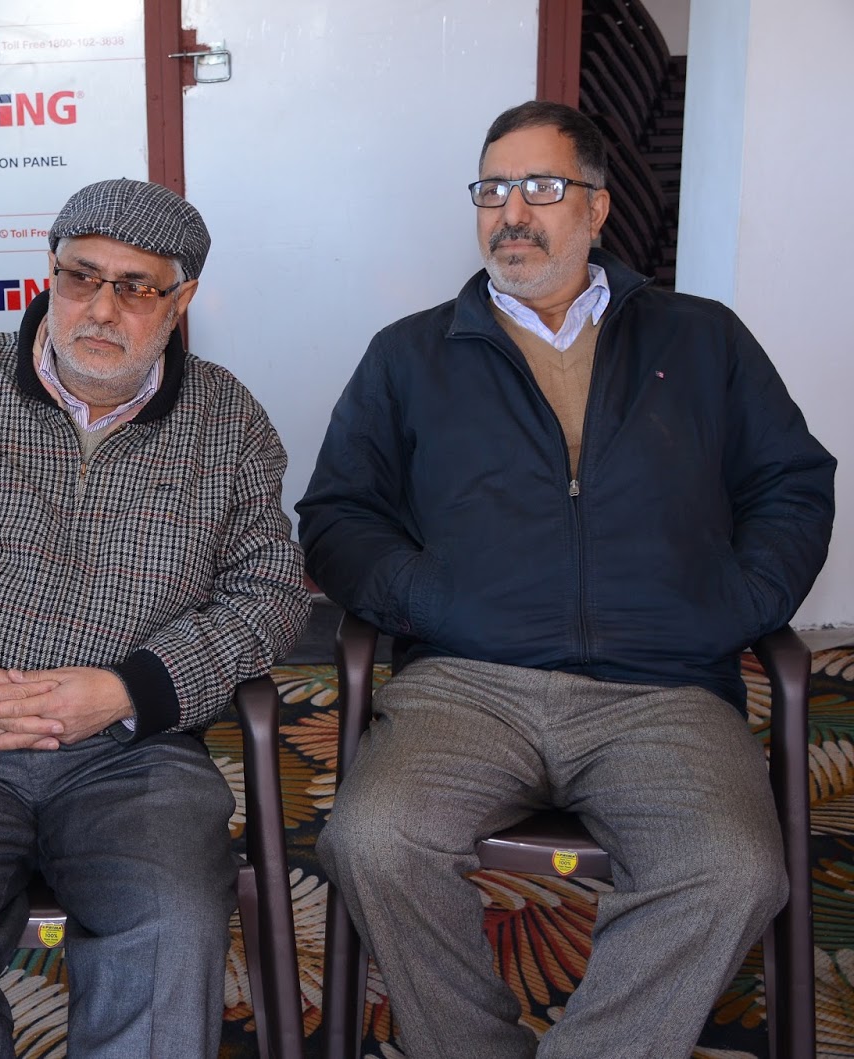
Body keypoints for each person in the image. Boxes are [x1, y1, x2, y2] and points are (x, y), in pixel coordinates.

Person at [297, 99, 836, 1058]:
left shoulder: (701, 339)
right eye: (493, 189)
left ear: (597, 208)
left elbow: (792, 483)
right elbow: (338, 514)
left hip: (660, 688)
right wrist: (431, 602)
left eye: (542, 188)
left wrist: (734, 603)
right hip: (468, 684)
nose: (513, 213)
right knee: (374, 840)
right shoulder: (411, 354)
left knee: (732, 869)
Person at [0, 177, 309, 1058]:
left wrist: (130, 688)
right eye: (81, 276)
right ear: (48, 273)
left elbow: (267, 593)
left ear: (181, 299)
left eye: (136, 286)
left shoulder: (228, 421)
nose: (100, 307)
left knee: (170, 927)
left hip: (133, 751)